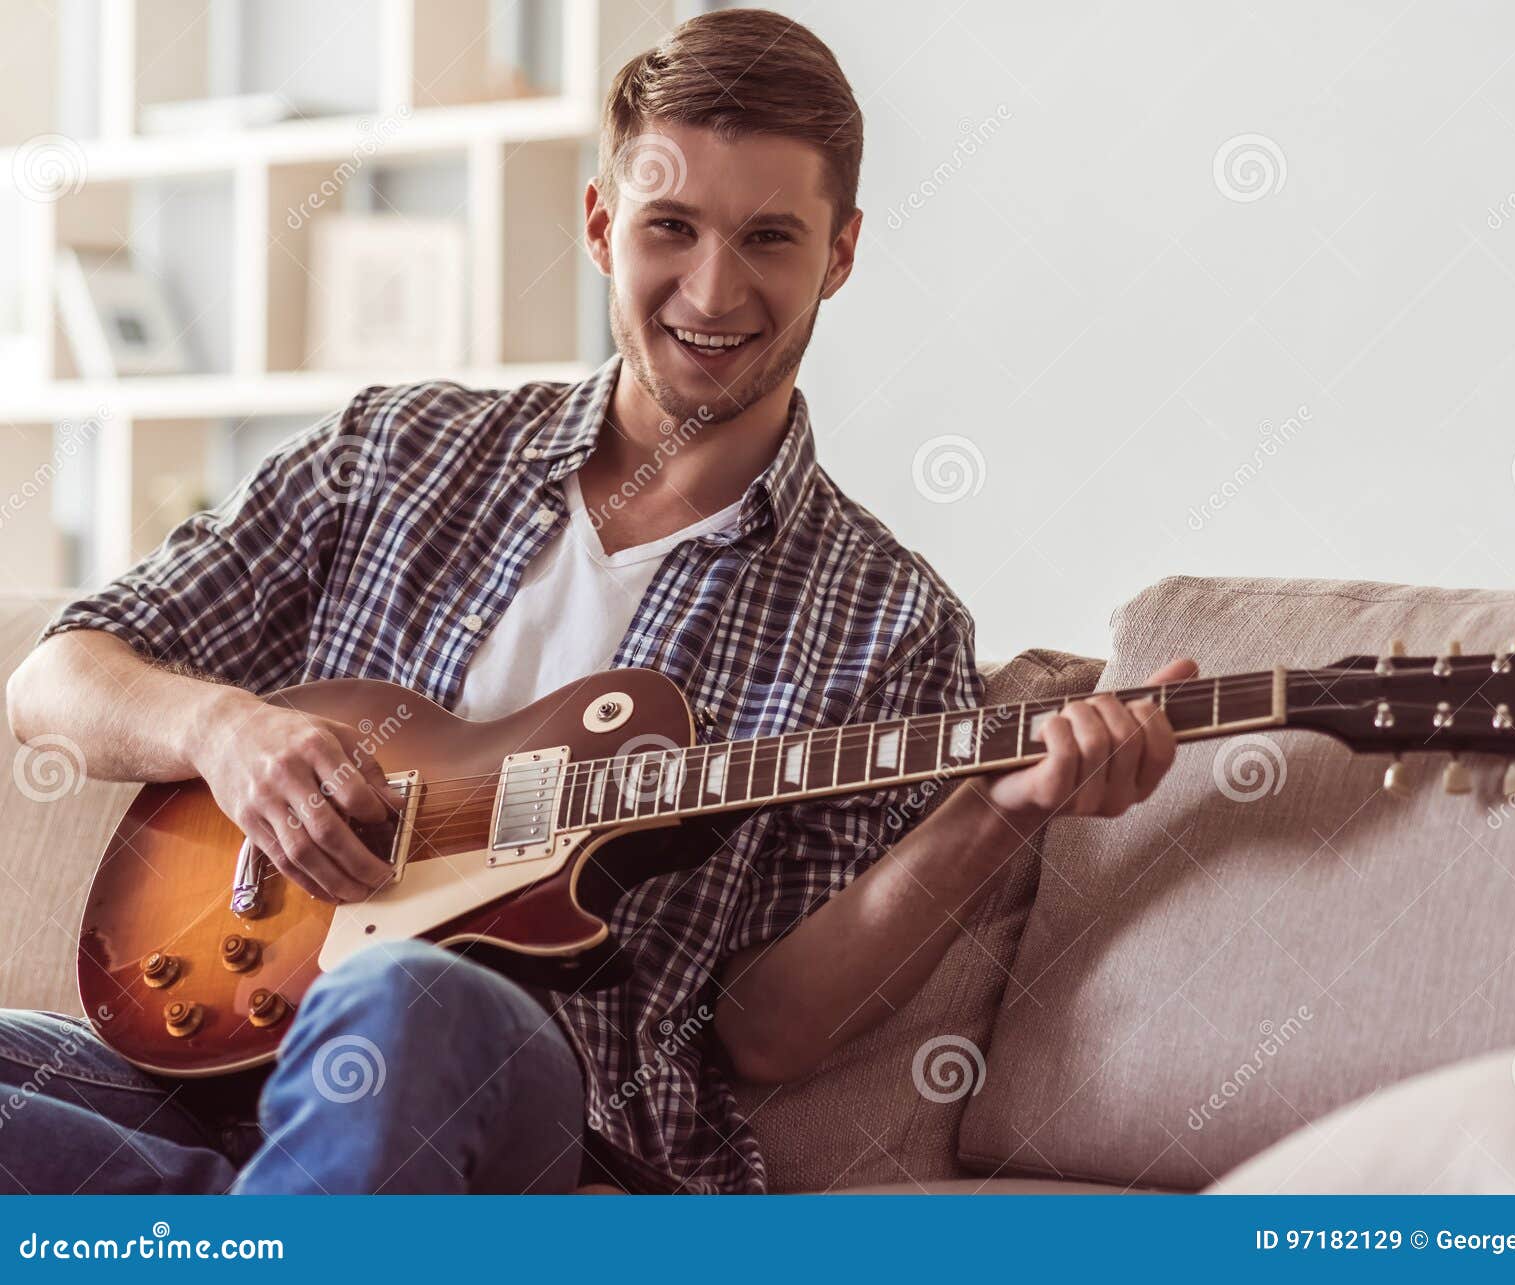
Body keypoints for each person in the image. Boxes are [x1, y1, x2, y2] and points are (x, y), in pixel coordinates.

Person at [0, 8, 1192, 1195]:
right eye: (671, 226)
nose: (712, 291)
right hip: (202, 1071)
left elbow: (766, 1032)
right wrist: (226, 730)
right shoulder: (394, 452)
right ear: (599, 223)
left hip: (543, 1107)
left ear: (838, 255)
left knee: (404, 998)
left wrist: (999, 811)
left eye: (768, 238)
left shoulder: (889, 622)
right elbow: (52, 683)